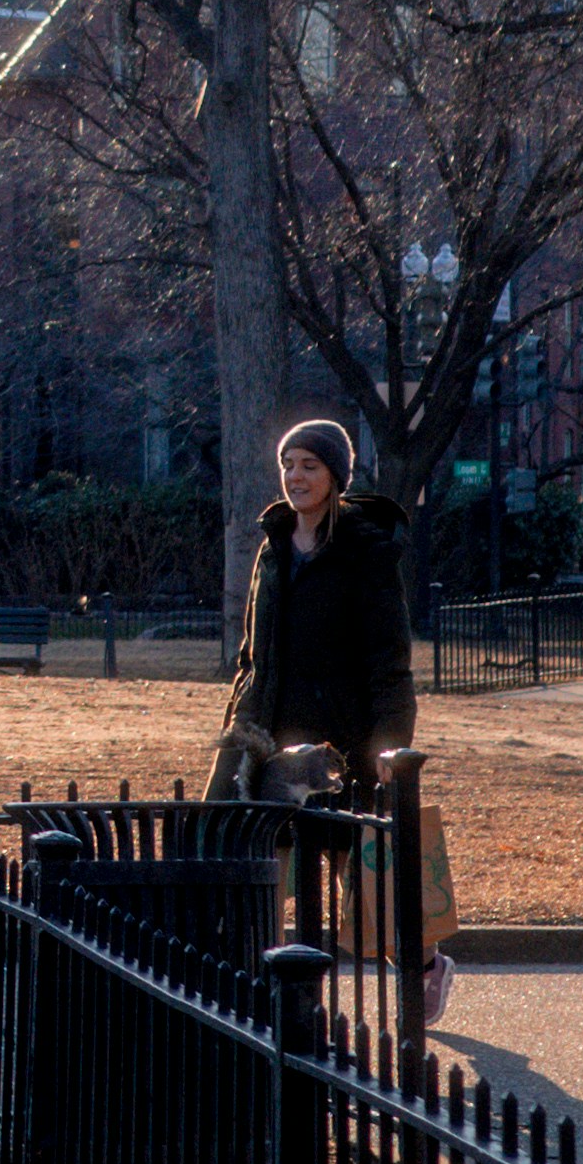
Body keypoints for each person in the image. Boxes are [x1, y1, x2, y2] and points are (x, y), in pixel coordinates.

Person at [229, 416, 459, 1020]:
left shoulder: (364, 548)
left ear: (335, 476)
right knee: (261, 870)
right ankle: (275, 997)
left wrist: (389, 743)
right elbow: (254, 654)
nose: (295, 477)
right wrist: (240, 730)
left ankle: (427, 965)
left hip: (346, 744)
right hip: (274, 740)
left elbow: (390, 659)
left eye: (310, 465)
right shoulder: (273, 547)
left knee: (366, 879)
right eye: (288, 465)